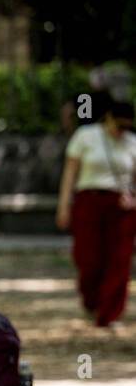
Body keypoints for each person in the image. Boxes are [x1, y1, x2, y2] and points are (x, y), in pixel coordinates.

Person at [57, 96, 136, 329]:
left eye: (127, 127)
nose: (122, 131)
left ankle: (110, 312)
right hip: (89, 202)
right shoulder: (86, 136)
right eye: (119, 125)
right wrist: (63, 206)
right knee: (88, 258)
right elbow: (70, 174)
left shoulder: (132, 142)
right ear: (108, 118)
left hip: (121, 207)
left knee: (119, 260)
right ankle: (92, 302)